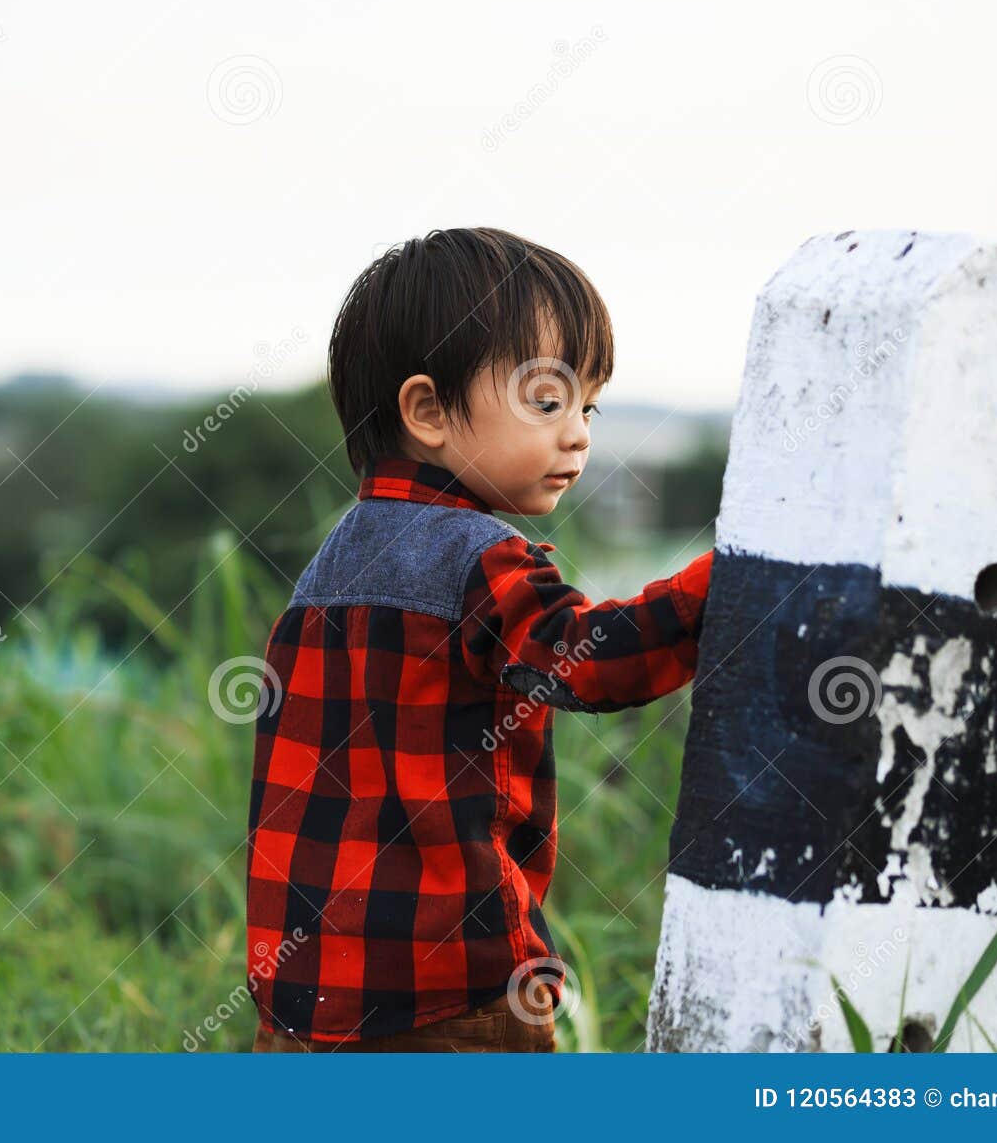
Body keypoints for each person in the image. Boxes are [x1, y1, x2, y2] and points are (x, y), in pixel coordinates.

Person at [246, 227, 714, 1052]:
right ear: (427, 410)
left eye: (588, 406)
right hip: (454, 993)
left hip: (305, 1000)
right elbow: (587, 661)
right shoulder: (479, 560)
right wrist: (731, 582)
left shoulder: (328, 568)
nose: (578, 434)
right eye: (548, 400)